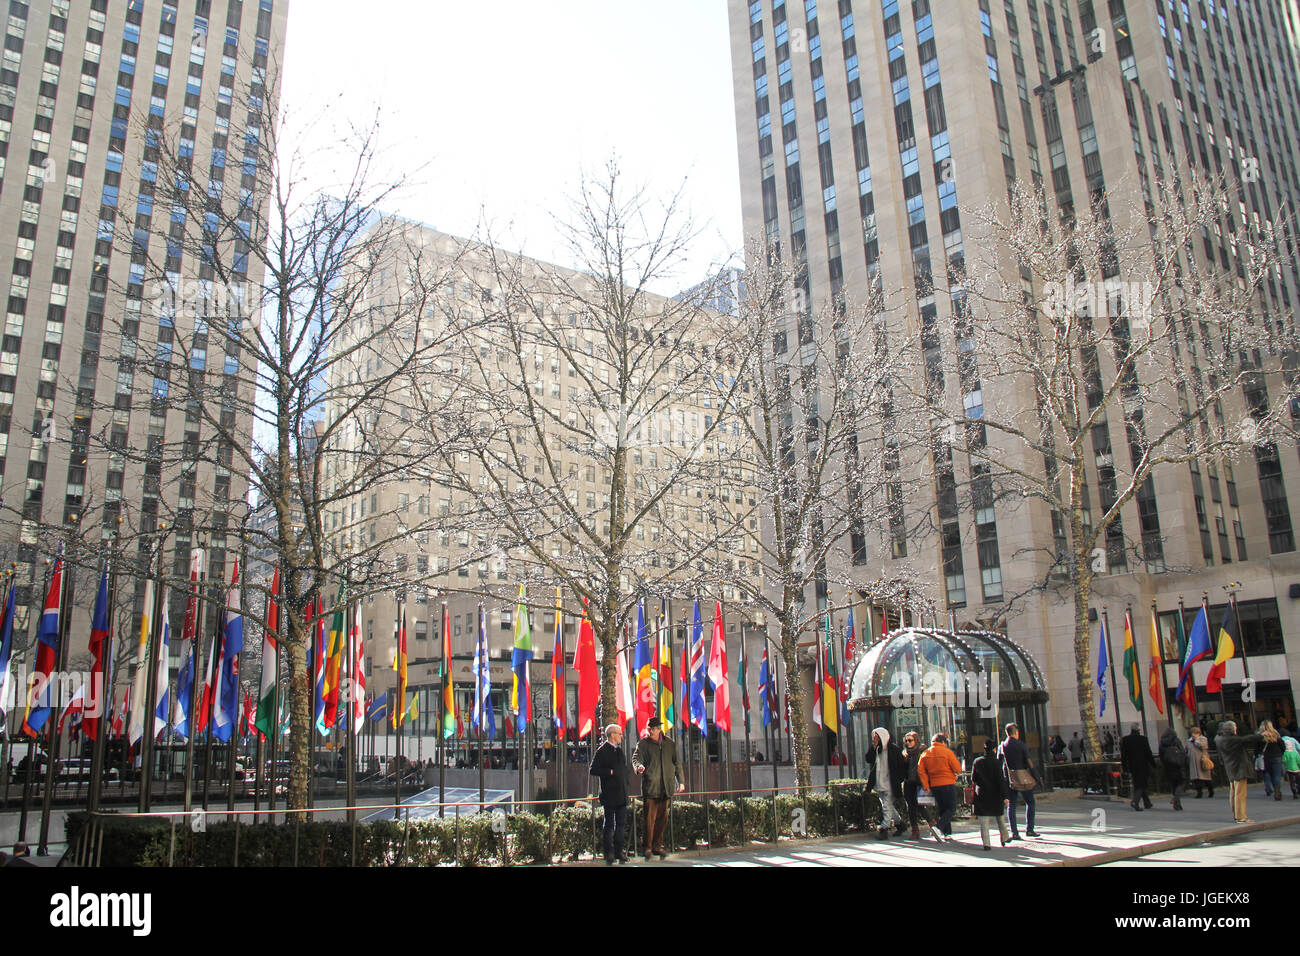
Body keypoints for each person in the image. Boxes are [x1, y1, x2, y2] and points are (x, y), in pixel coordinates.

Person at [631, 717, 684, 860]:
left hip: (666, 787)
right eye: (650, 729)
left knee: (663, 819)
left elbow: (677, 763)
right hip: (651, 787)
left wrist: (681, 781)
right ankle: (647, 847)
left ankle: (657, 846)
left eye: (654, 729)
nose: (652, 731)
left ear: (659, 729)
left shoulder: (669, 744)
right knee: (649, 819)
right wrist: (639, 767)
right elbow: (636, 758)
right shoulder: (643, 744)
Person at [589, 723, 629, 865]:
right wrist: (609, 772)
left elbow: (624, 770)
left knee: (621, 825)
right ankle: (609, 853)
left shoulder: (619, 751)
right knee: (609, 825)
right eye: (619, 733)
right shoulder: (602, 751)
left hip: (622, 794)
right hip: (609, 794)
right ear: (612, 735)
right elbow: (593, 769)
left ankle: (619, 851)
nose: (621, 736)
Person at [1215, 720, 1264, 824]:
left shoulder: (1219, 739)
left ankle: (1236, 815)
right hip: (1239, 768)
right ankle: (1241, 816)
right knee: (1240, 794)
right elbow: (1247, 739)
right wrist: (1261, 735)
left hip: (1230, 768)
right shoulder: (1232, 739)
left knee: (1233, 793)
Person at [917, 732, 963, 842]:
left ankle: (947, 833)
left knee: (943, 808)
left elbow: (921, 770)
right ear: (943, 742)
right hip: (947, 783)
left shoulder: (926, 753)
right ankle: (938, 828)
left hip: (934, 785)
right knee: (951, 808)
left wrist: (926, 785)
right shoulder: (947, 752)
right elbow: (957, 768)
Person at [998, 722, 1040, 840]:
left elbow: (999, 763)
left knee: (1011, 805)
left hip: (1009, 778)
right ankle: (1030, 829)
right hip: (1022, 777)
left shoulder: (1002, 746)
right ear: (1016, 732)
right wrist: (1036, 776)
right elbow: (1029, 762)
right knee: (1030, 802)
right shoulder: (1021, 745)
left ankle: (1014, 832)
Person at [864, 727, 908, 839]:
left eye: (877, 737)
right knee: (887, 805)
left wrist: (899, 779)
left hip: (890, 783)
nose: (875, 739)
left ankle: (884, 828)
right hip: (879, 782)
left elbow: (901, 766)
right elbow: (868, 759)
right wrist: (873, 747)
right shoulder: (877, 749)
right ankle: (900, 824)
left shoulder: (894, 750)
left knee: (886, 806)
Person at [971, 739, 1011, 850]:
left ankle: (986, 844)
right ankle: (1004, 837)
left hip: (982, 794)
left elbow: (973, 778)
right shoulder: (997, 763)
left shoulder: (977, 761)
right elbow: (1000, 781)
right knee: (1000, 817)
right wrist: (1005, 796)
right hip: (995, 794)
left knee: (984, 821)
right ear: (994, 749)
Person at [1120, 724, 1156, 810]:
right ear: (1139, 730)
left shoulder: (1125, 740)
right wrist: (1153, 764)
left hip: (1132, 765)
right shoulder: (1143, 739)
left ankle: (1147, 803)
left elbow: (1123, 755)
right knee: (1142, 784)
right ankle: (1135, 801)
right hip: (1143, 764)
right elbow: (1148, 753)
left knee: (1138, 783)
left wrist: (1124, 767)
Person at [900, 730, 927, 840]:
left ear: (916, 740)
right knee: (910, 806)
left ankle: (933, 824)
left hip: (919, 781)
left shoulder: (923, 751)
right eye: (906, 741)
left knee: (920, 805)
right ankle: (915, 830)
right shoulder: (905, 752)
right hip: (908, 782)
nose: (908, 742)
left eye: (910, 740)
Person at [1158, 726, 1187, 810]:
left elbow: (1161, 756)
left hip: (1168, 766)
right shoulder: (1176, 740)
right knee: (1181, 782)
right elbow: (1182, 752)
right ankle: (1176, 799)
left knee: (1173, 784)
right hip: (1178, 766)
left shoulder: (1162, 743)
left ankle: (1177, 804)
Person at [1258, 720, 1285, 801]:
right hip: (1277, 756)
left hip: (1266, 758)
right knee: (1277, 775)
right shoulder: (1276, 735)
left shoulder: (1260, 736)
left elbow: (1257, 749)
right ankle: (1277, 791)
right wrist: (1281, 753)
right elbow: (1282, 746)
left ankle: (1274, 789)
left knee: (1271, 775)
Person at [1187, 725, 1214, 798]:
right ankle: (1199, 792)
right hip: (1193, 761)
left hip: (1202, 760)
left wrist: (1196, 741)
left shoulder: (1203, 739)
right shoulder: (1189, 741)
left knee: (1206, 778)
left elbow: (1204, 747)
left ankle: (1210, 790)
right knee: (1196, 779)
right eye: (1192, 733)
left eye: (1195, 733)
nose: (1193, 734)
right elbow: (1187, 749)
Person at [1281, 730, 1300, 798]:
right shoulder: (1295, 753)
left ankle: (1294, 792)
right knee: (1298, 779)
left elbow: (1283, 761)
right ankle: (1298, 789)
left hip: (1289, 769)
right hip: (1297, 769)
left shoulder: (1281, 740)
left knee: (1291, 781)